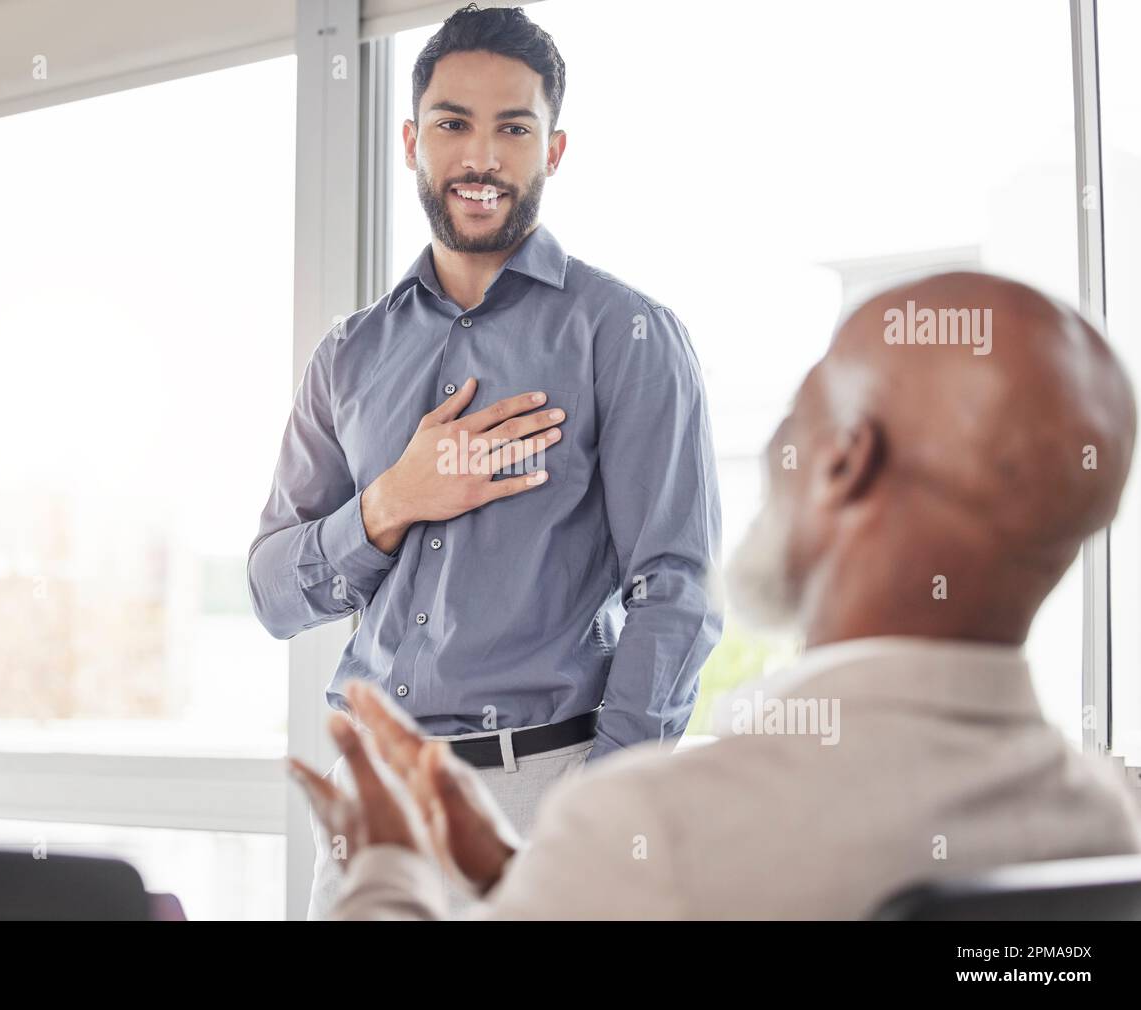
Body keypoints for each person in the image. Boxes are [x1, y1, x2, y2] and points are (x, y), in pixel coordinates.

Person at [293, 271, 1141, 919]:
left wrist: (391, 867)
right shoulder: (1108, 824)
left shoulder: (662, 829)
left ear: (844, 463)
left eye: (794, 419)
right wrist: (512, 873)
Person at [249, 4, 720, 916]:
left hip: (545, 791)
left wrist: (599, 807)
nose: (480, 156)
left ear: (555, 149)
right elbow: (271, 593)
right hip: (371, 804)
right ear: (411, 139)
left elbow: (679, 592)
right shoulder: (347, 356)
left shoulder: (625, 336)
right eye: (452, 123)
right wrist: (390, 501)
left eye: (514, 127)